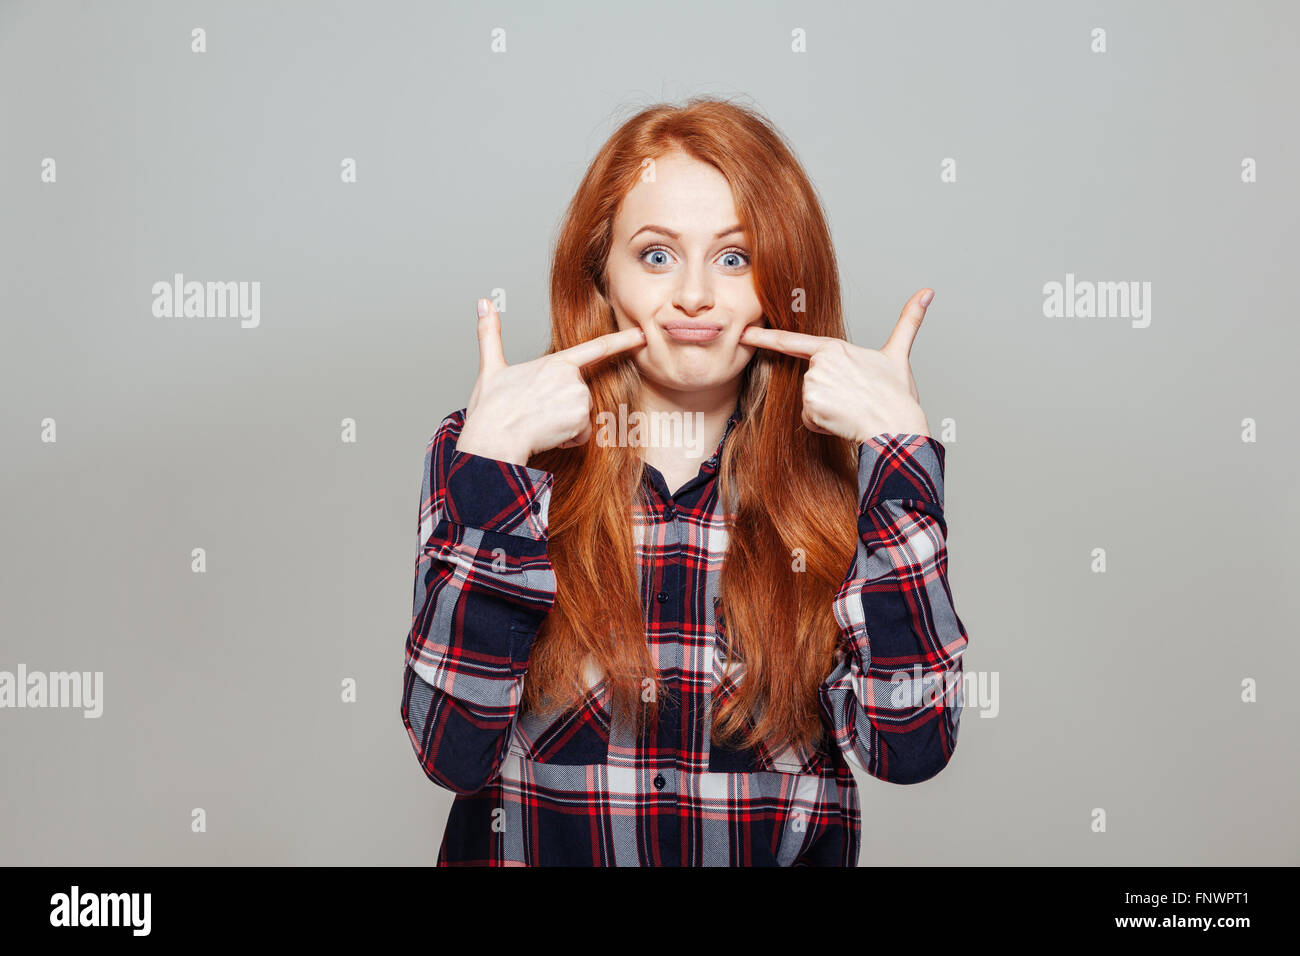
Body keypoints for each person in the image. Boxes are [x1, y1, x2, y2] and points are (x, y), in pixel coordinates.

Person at [400, 96, 970, 866]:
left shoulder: (847, 485)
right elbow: (450, 748)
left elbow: (912, 744)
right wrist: (496, 458)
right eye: (657, 255)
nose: (695, 295)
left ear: (782, 278)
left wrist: (897, 452)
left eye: (734, 258)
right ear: (601, 274)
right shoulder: (492, 461)